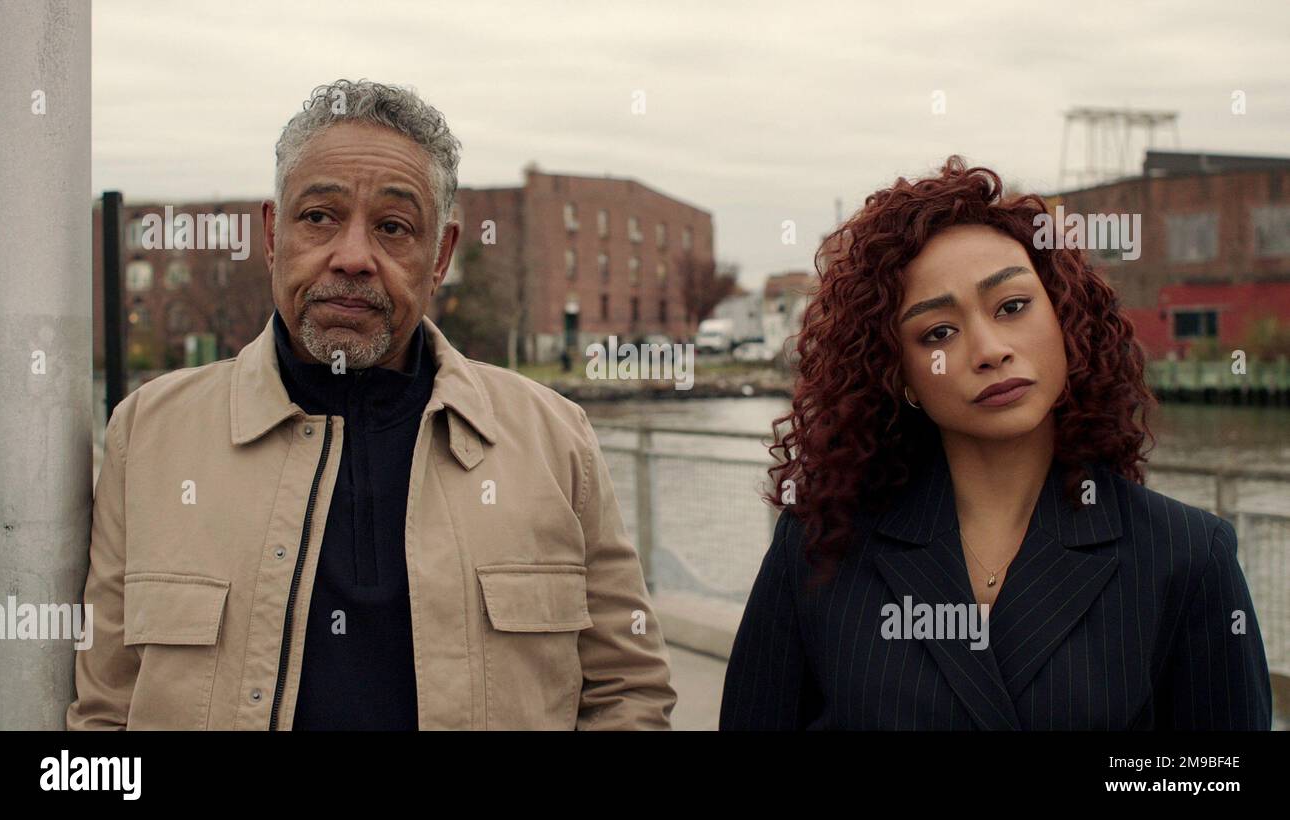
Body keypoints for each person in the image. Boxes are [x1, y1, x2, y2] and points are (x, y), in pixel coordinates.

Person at [68, 79, 675, 730]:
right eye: (319, 217)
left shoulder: (554, 440)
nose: (353, 257)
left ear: (439, 255)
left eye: (392, 227)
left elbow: (627, 692)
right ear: (273, 235)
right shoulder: (152, 434)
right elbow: (106, 711)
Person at [720, 156, 1272, 730]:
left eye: (1011, 306)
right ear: (899, 371)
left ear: (1064, 316)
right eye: (938, 332)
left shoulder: (1186, 555)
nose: (988, 349)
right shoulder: (819, 547)